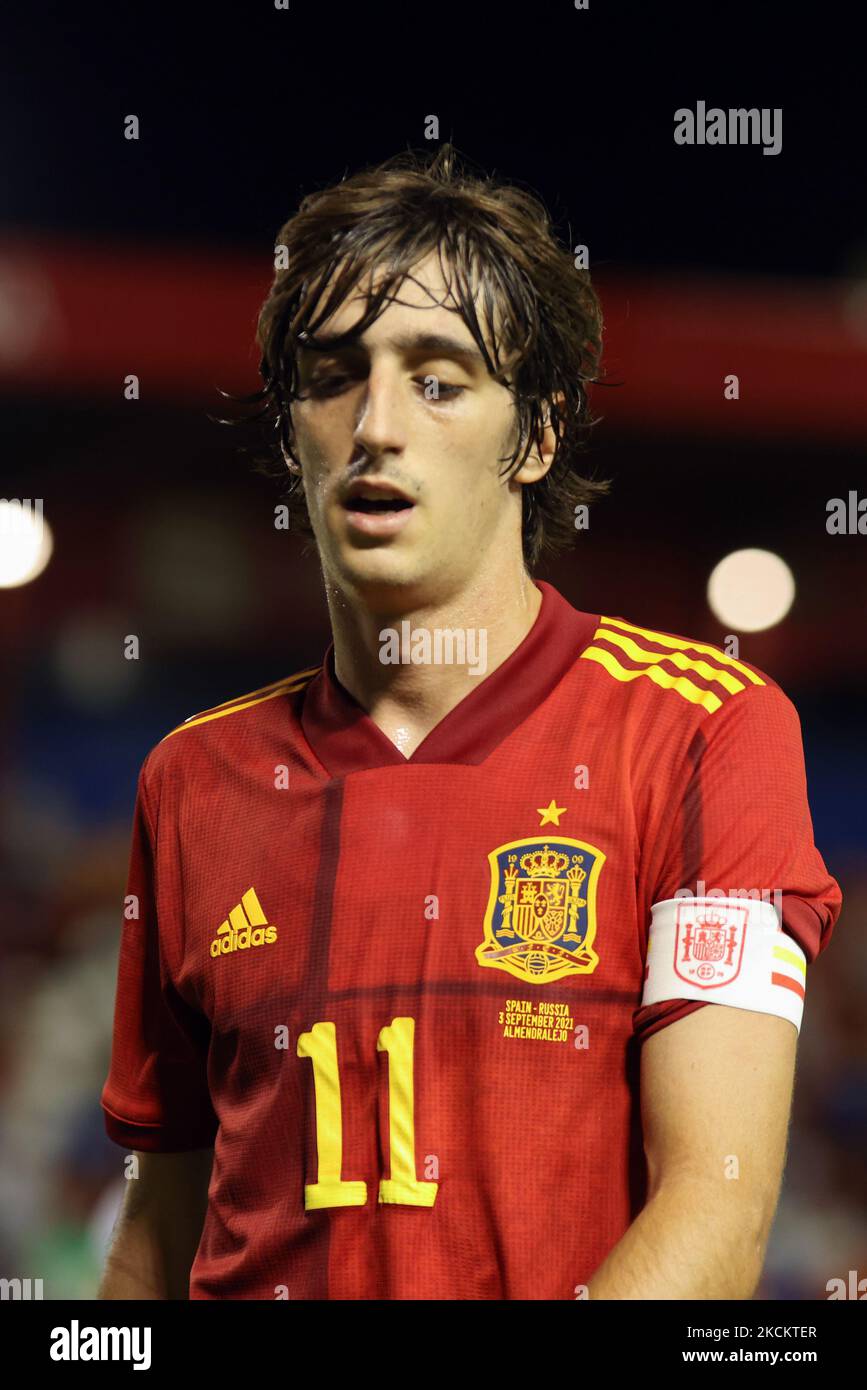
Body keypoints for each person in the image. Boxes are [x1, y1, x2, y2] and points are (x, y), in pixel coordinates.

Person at [98, 144, 842, 1300]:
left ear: (536, 437)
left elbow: (718, 1203)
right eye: (336, 375)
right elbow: (160, 1221)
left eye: (438, 379)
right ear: (292, 434)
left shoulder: (706, 733)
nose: (376, 425)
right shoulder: (191, 778)